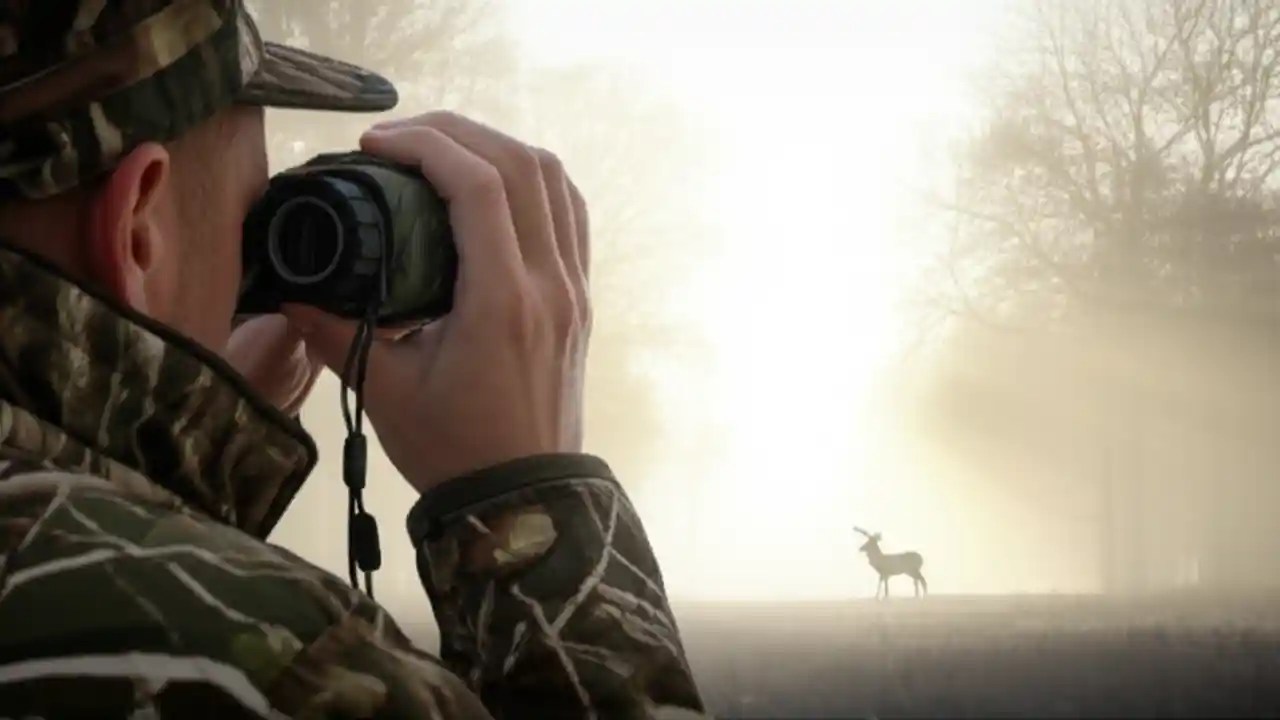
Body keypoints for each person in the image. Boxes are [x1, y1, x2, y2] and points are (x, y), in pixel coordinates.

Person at [0, 1, 707, 717]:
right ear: (138, 230)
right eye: (253, 220)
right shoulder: (288, 673)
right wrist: (529, 507)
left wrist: (166, 449)